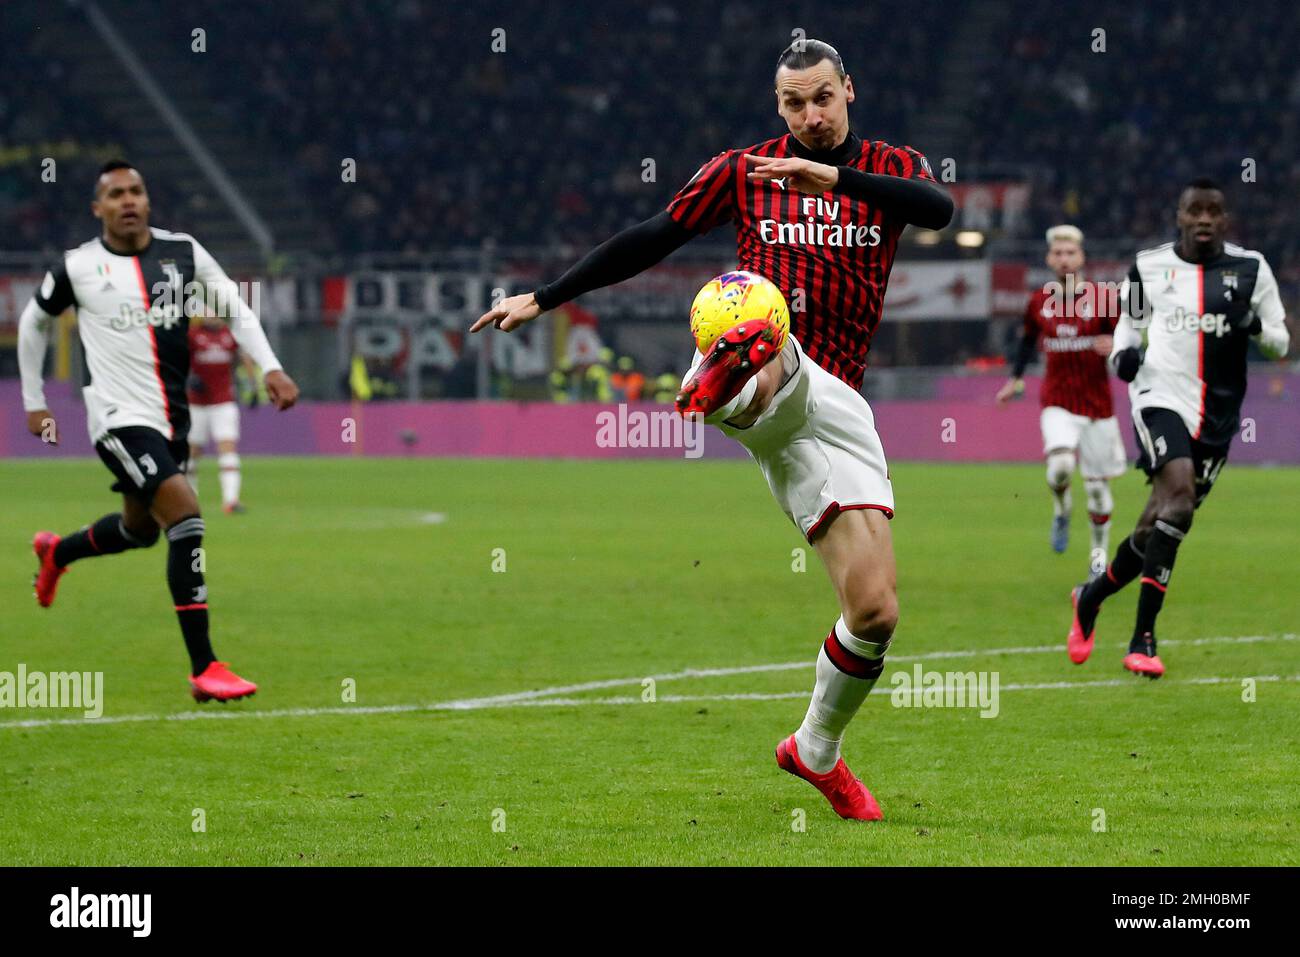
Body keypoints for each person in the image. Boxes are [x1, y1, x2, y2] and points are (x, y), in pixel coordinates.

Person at [471, 40, 952, 820]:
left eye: (823, 98)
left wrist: (827, 175)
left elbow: (940, 210)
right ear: (777, 106)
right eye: (794, 104)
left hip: (841, 412)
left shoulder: (891, 167)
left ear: (849, 91)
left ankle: (814, 749)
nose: (811, 115)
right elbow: (653, 235)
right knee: (761, 318)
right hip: (781, 374)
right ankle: (730, 367)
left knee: (875, 612)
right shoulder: (742, 169)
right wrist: (547, 296)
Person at [18, 161, 300, 702]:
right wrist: (35, 402)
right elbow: (33, 321)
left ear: (148, 201)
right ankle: (205, 667)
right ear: (97, 208)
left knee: (139, 530)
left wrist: (269, 366)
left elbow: (236, 309)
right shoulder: (78, 267)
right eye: (115, 194)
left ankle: (58, 553)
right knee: (187, 517)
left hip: (172, 418)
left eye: (136, 192)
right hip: (117, 420)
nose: (128, 201)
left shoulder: (184, 253)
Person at [1067, 179, 1289, 677]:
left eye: (1214, 211)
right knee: (1181, 500)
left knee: (1158, 525)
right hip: (1159, 396)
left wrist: (1254, 327)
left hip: (1219, 416)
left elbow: (1280, 343)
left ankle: (1091, 596)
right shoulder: (1149, 266)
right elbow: (1129, 323)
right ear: (1180, 216)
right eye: (1196, 210)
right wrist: (1124, 352)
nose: (1205, 218)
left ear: (1225, 220)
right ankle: (1143, 638)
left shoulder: (1251, 269)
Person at [995, 225, 1126, 573]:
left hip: (1098, 406)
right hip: (1057, 401)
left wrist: (1115, 346)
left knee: (1098, 492)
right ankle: (1062, 508)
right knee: (1061, 467)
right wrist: (1015, 379)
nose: (1065, 259)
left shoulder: (1104, 299)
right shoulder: (1039, 301)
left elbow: (1127, 339)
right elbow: (1026, 342)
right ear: (1050, 258)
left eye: (1071, 253)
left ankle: (1098, 556)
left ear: (1081, 257)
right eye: (1059, 253)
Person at [186, 310, 259, 513]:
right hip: (196, 402)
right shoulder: (192, 334)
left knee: (227, 447)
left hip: (223, 400)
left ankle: (231, 500)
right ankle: (189, 501)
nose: (212, 315)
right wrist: (187, 378)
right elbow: (176, 358)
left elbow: (245, 357)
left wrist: (253, 387)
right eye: (208, 311)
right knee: (192, 452)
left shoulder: (230, 335)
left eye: (216, 311)